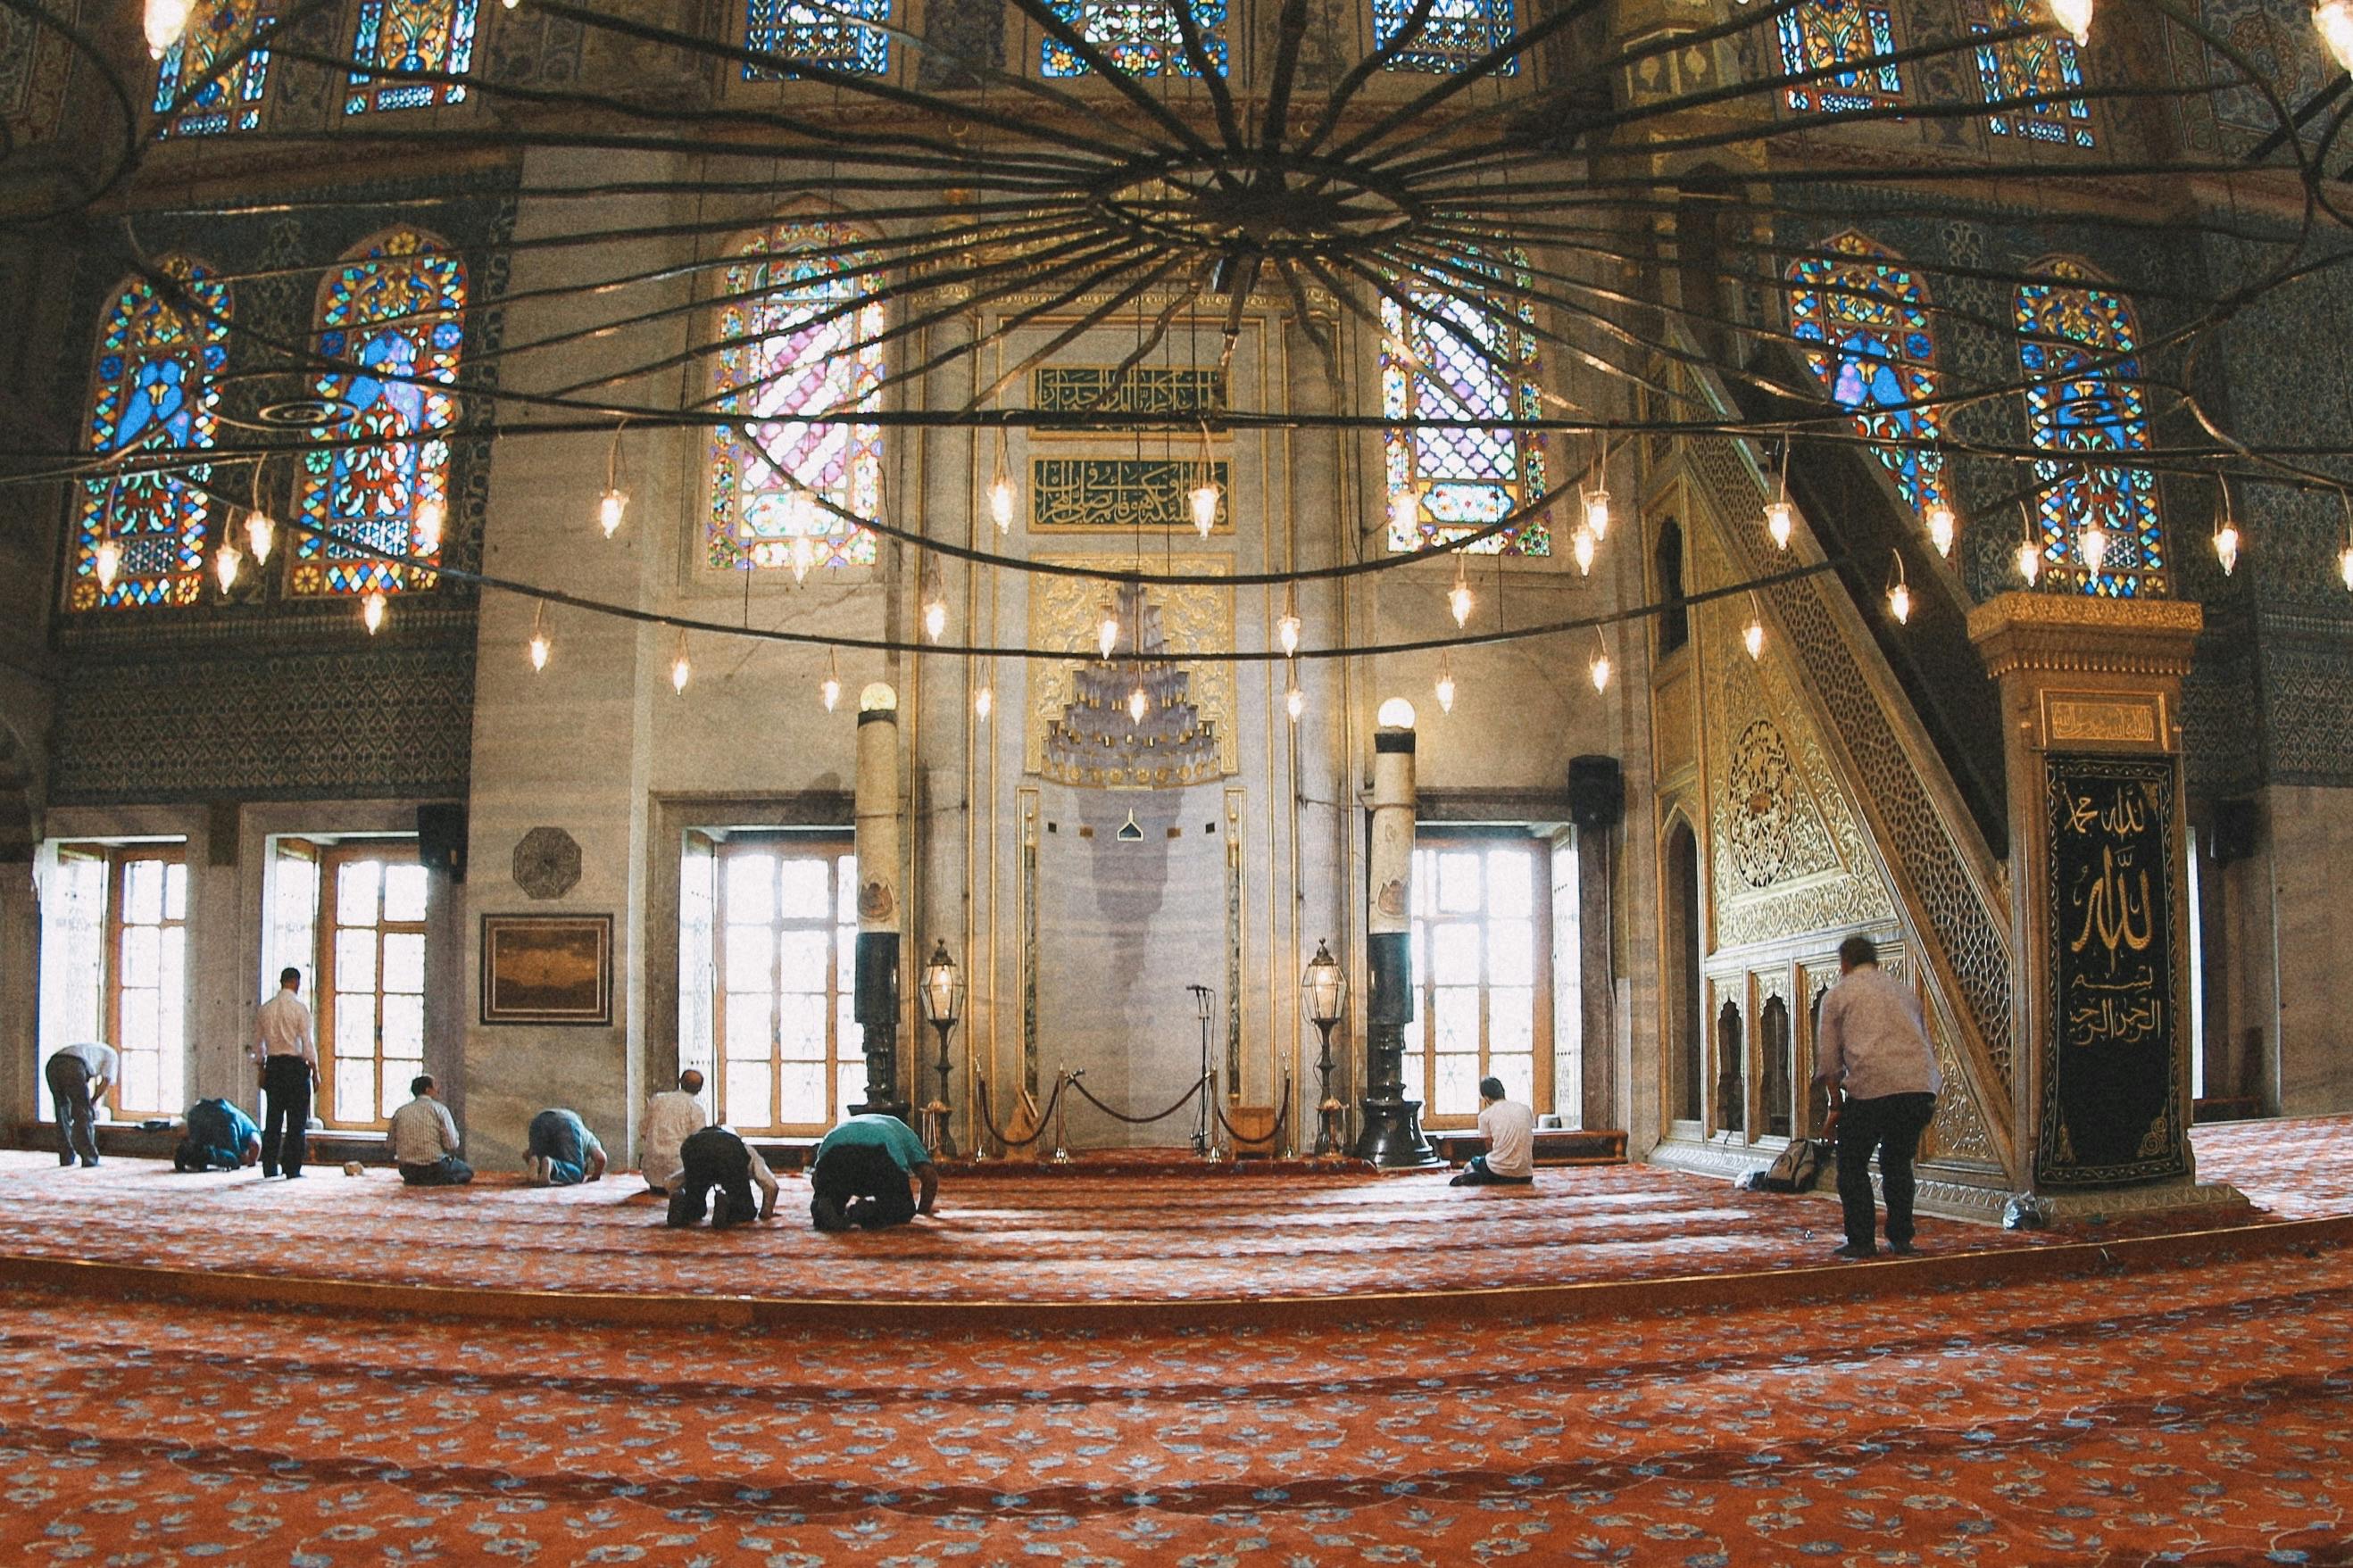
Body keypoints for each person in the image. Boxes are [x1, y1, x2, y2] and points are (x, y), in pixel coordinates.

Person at [1812, 934, 1943, 1259]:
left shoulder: (1839, 995)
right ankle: (1901, 1237)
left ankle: (1861, 1240)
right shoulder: (1903, 991)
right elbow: (1924, 1042)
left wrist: (1835, 1107)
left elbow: (1829, 1059)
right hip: (1919, 1087)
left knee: (1852, 1162)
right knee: (1897, 1161)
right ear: (1875, 961)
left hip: (1873, 1086)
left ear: (1844, 963)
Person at [808, 1112, 937, 1232]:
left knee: (831, 1197)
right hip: (879, 1154)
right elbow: (929, 1176)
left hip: (834, 1150)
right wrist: (923, 1211)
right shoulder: (906, 1132)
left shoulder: (845, 1126)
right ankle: (869, 1212)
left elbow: (817, 1177)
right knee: (902, 1208)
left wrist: (823, 1192)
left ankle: (824, 1207)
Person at [253, 967, 317, 1179]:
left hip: (274, 1066)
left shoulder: (265, 1009)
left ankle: (269, 1166)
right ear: (296, 983)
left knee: (273, 1119)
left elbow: (258, 1045)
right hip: (295, 1068)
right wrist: (315, 1071)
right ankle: (292, 1168)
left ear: (281, 982)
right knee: (296, 1121)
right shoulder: (300, 1008)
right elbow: (307, 1044)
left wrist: (261, 1069)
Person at [664, 1125, 778, 1228]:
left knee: (694, 1208)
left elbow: (672, 1181)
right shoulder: (745, 1148)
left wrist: (676, 1192)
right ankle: (727, 1205)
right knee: (745, 1211)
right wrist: (766, 1213)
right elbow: (771, 1185)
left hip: (693, 1146)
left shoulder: (702, 1141)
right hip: (729, 1151)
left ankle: (683, 1207)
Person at [1450, 1075, 1536, 1187]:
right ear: (1503, 1092)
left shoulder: (1485, 1115)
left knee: (1471, 1163)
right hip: (1525, 1175)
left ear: (1487, 1098)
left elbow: (1489, 1146)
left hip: (1497, 1173)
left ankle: (1476, 1175)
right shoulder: (1525, 1109)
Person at [389, 1074, 473, 1186]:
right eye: (436, 1086)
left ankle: (418, 1181)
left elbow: (389, 1144)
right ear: (428, 1090)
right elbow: (452, 1144)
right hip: (435, 1168)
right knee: (467, 1171)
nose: (438, 1089)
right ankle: (443, 1181)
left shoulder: (400, 1112)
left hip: (408, 1170)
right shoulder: (440, 1110)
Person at [44, 1041, 118, 1169]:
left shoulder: (94, 1050)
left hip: (52, 1064)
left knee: (62, 1112)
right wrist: (92, 1101)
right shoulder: (112, 1056)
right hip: (73, 1065)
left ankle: (66, 1157)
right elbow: (106, 1081)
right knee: (83, 1112)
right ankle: (89, 1158)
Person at [639, 1069, 709, 1195]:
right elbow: (700, 1145)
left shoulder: (657, 1100)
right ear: (700, 1089)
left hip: (651, 1171)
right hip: (677, 1170)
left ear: (680, 1082)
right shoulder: (696, 1109)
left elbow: (643, 1131)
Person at [525, 1107, 608, 1186]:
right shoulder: (589, 1137)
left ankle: (536, 1159)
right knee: (577, 1174)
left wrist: (531, 1156)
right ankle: (554, 1166)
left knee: (542, 1163)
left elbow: (526, 1154)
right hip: (567, 1123)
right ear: (584, 1163)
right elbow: (601, 1158)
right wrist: (595, 1177)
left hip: (539, 1121)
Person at [174, 1097, 261, 1172]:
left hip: (197, 1113)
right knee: (234, 1160)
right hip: (225, 1119)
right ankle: (205, 1155)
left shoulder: (244, 1121)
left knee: (198, 1145)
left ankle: (184, 1154)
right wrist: (251, 1161)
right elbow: (256, 1144)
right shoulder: (253, 1130)